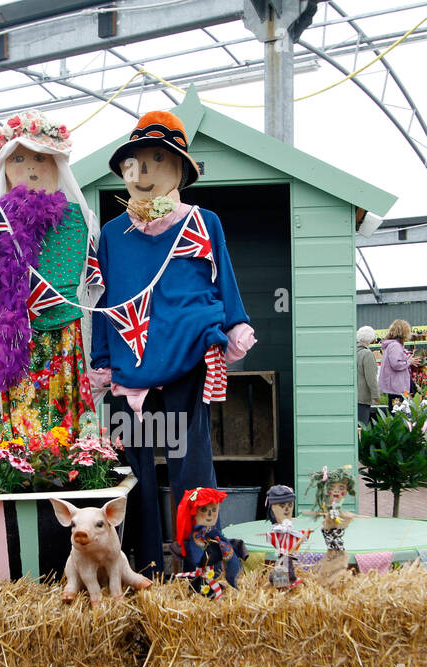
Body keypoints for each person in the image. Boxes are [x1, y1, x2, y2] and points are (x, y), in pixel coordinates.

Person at [87, 110, 256, 577]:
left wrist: (235, 323)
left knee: (192, 467)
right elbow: (102, 299)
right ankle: (135, 566)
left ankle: (201, 565)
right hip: (128, 365)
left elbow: (225, 277)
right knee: (130, 471)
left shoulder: (204, 222)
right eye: (135, 163)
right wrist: (102, 358)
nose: (143, 173)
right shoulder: (111, 234)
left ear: (178, 169)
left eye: (157, 160)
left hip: (187, 356)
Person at [0, 111, 103, 438]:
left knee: (67, 428)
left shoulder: (81, 220)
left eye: (41, 158)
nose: (32, 166)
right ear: (4, 167)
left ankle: (67, 475)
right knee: (22, 426)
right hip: (15, 338)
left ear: (57, 165)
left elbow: (92, 288)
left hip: (66, 335)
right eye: (19, 158)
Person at [377, 319, 423, 409]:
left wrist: (407, 358)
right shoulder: (395, 346)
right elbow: (396, 364)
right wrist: (409, 362)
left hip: (394, 386)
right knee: (396, 410)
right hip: (396, 386)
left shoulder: (391, 345)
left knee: (395, 408)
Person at [356, 326, 382, 426]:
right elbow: (371, 377)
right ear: (371, 339)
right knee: (362, 426)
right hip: (363, 397)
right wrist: (376, 394)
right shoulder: (367, 354)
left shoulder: (353, 352)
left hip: (352, 396)